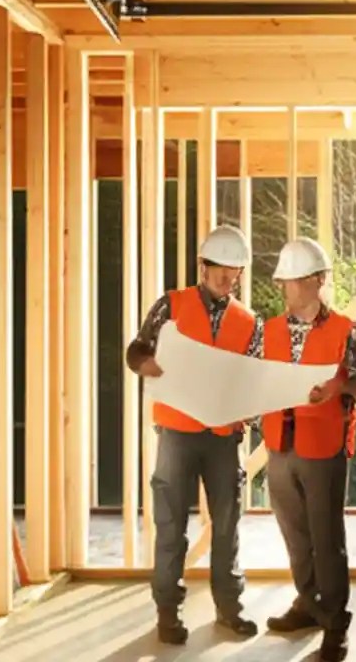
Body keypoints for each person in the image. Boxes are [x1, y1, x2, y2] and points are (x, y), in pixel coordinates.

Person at [125, 225, 263, 645]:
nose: (227, 278)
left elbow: (252, 379)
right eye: (220, 269)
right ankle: (168, 613)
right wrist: (144, 365)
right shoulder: (172, 305)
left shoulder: (248, 322)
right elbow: (137, 349)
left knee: (227, 526)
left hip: (223, 436)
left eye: (234, 271)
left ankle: (229, 608)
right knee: (170, 527)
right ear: (202, 266)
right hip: (177, 434)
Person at [261, 238, 356, 662]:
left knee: (327, 540)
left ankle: (334, 624)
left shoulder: (347, 331)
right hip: (280, 446)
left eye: (291, 282)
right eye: (283, 283)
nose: (285, 290)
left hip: (323, 449)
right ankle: (308, 604)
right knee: (295, 537)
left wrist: (339, 386)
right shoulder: (269, 330)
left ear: (315, 282)